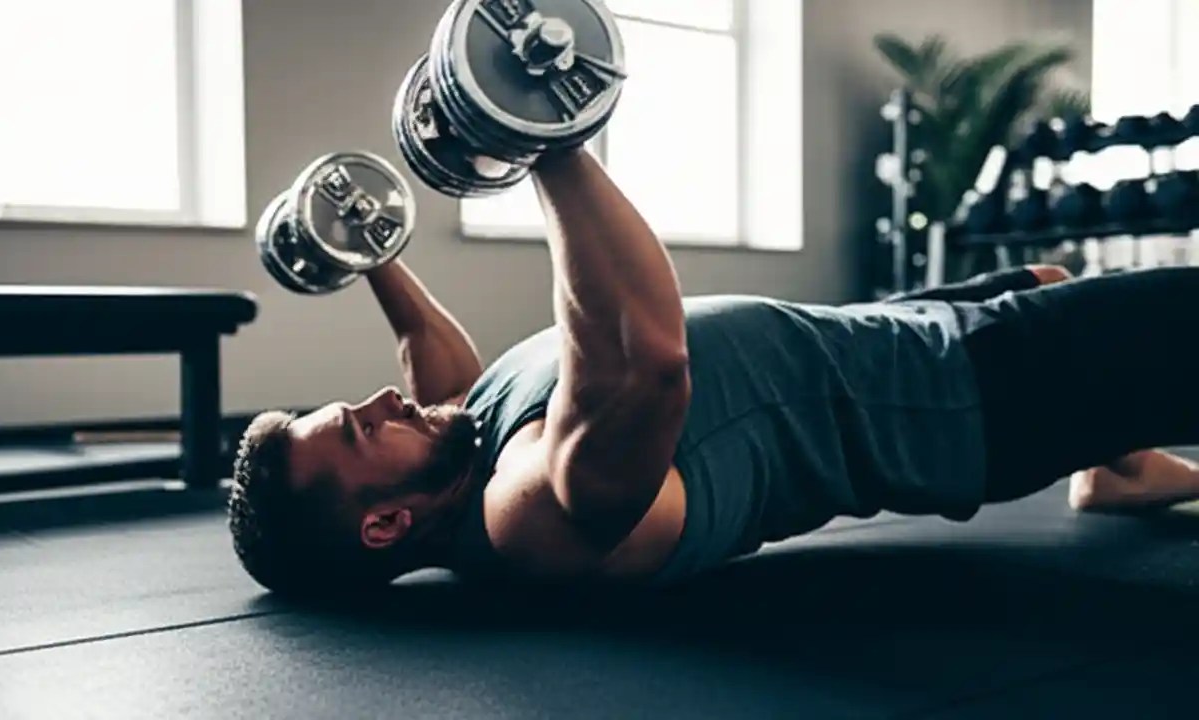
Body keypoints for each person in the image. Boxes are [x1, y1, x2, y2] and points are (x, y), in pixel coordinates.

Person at [227, 147, 1199, 598]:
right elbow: (649, 361)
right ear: (386, 524)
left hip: (873, 339)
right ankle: (1098, 453)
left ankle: (1114, 471)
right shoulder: (524, 513)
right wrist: (548, 147)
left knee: (1045, 276)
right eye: (358, 430)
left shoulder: (461, 442)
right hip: (953, 397)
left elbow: (432, 372)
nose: (384, 403)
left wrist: (368, 256)